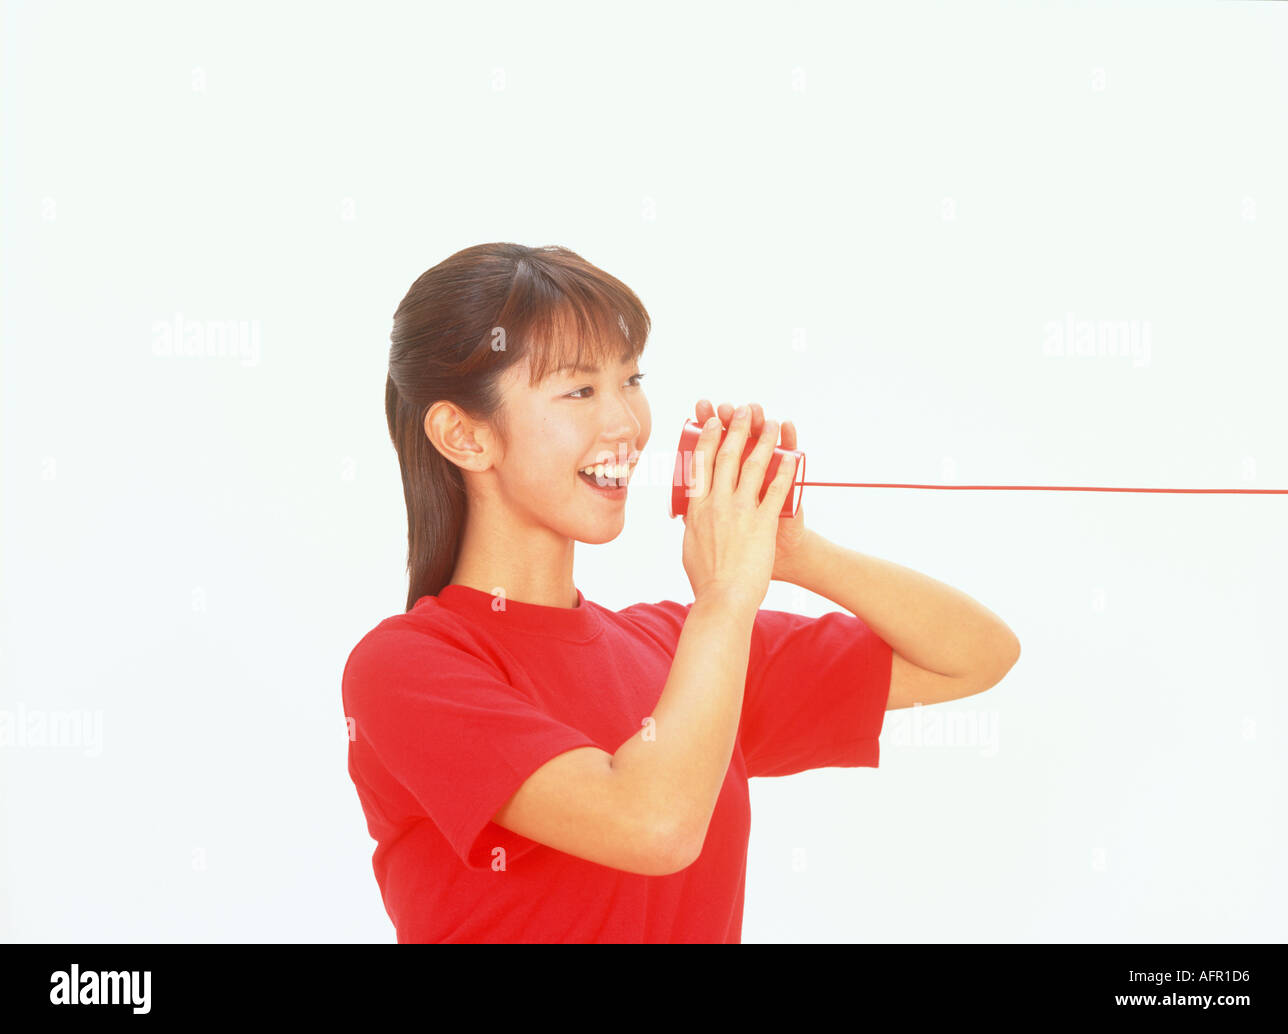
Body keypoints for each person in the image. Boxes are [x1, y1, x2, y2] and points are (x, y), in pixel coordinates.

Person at [341, 242, 1017, 943]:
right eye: (580, 390)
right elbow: (653, 825)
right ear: (464, 435)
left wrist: (797, 555)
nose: (628, 425)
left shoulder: (677, 652)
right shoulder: (406, 668)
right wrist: (725, 598)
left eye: (631, 380)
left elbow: (975, 655)